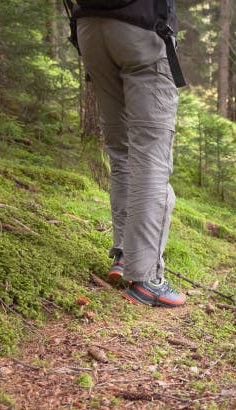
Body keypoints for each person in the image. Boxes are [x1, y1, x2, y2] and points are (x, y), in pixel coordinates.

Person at [71, 0, 186, 307]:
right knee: (151, 156)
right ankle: (147, 278)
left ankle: (124, 254)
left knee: (121, 150)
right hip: (144, 30)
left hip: (90, 29)